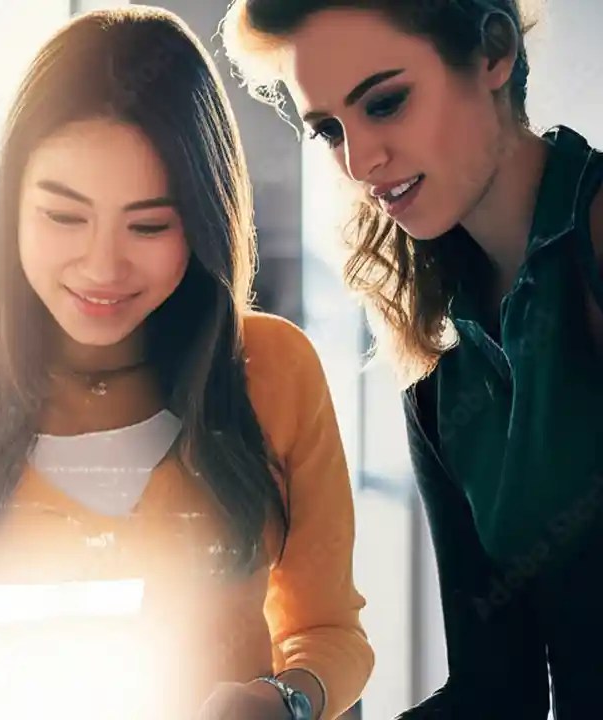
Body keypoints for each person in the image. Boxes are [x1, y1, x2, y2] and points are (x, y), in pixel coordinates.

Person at [0, 7, 373, 720]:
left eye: (149, 225)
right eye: (63, 216)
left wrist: (285, 701)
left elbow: (328, 632)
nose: (102, 267)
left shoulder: (272, 369)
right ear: (11, 206)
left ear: (204, 221)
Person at [221, 0, 603, 717]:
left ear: (493, 52)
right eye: (331, 129)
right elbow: (497, 692)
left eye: (387, 102)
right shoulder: (439, 363)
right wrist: (288, 708)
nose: (361, 160)